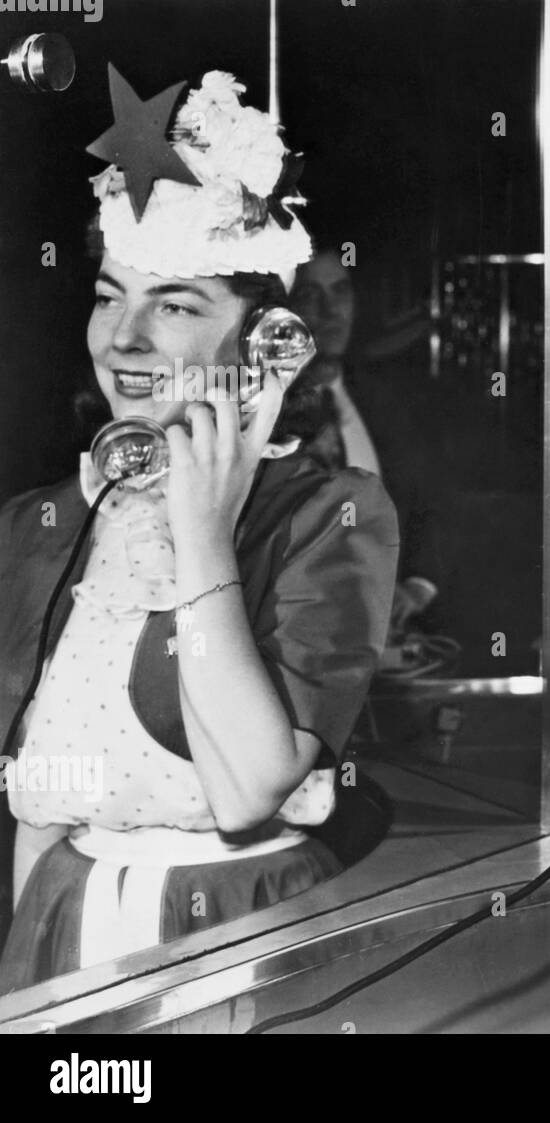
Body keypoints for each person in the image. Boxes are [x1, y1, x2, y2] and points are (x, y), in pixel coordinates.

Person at [0, 68, 398, 990]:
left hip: (238, 931)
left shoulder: (328, 515)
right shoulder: (40, 523)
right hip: (62, 923)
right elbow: (39, 808)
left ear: (264, 340)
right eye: (109, 296)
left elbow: (250, 786)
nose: (123, 339)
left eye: (174, 305)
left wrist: (204, 537)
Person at [291, 248, 445, 639]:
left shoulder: (391, 400)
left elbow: (432, 504)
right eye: (311, 295)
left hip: (386, 638)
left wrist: (416, 586)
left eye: (341, 291)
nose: (331, 311)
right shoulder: (261, 413)